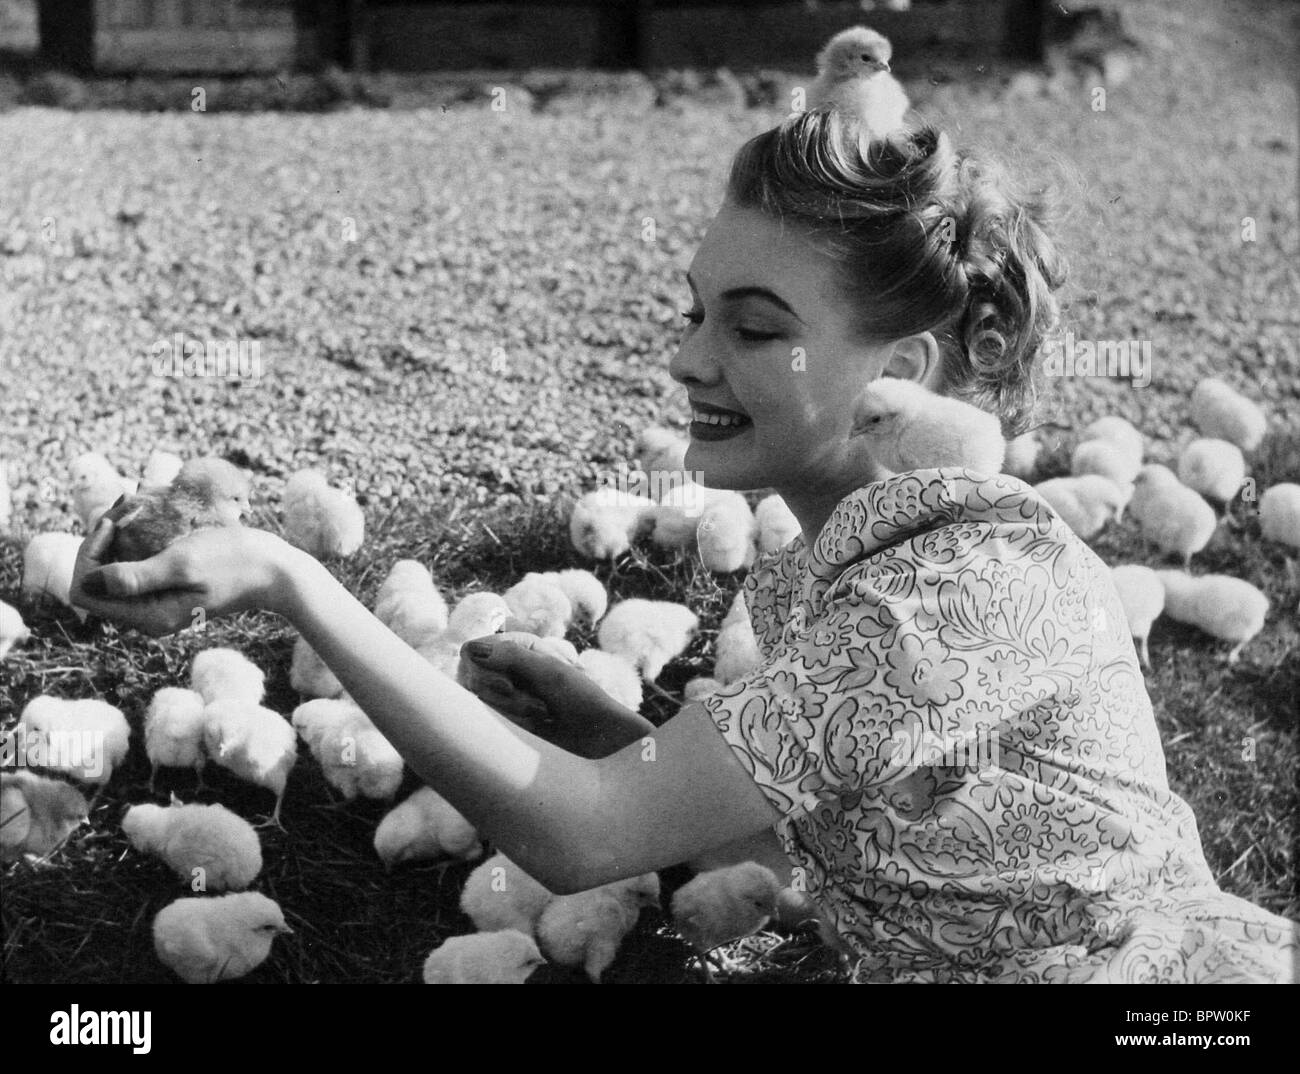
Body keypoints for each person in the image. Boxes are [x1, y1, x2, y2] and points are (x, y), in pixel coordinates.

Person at [72, 110, 1298, 983]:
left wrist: (293, 582)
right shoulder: (875, 562)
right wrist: (612, 739)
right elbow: (840, 830)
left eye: (753, 329)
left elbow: (584, 840)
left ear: (901, 377)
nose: (685, 360)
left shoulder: (945, 601)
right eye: (694, 311)